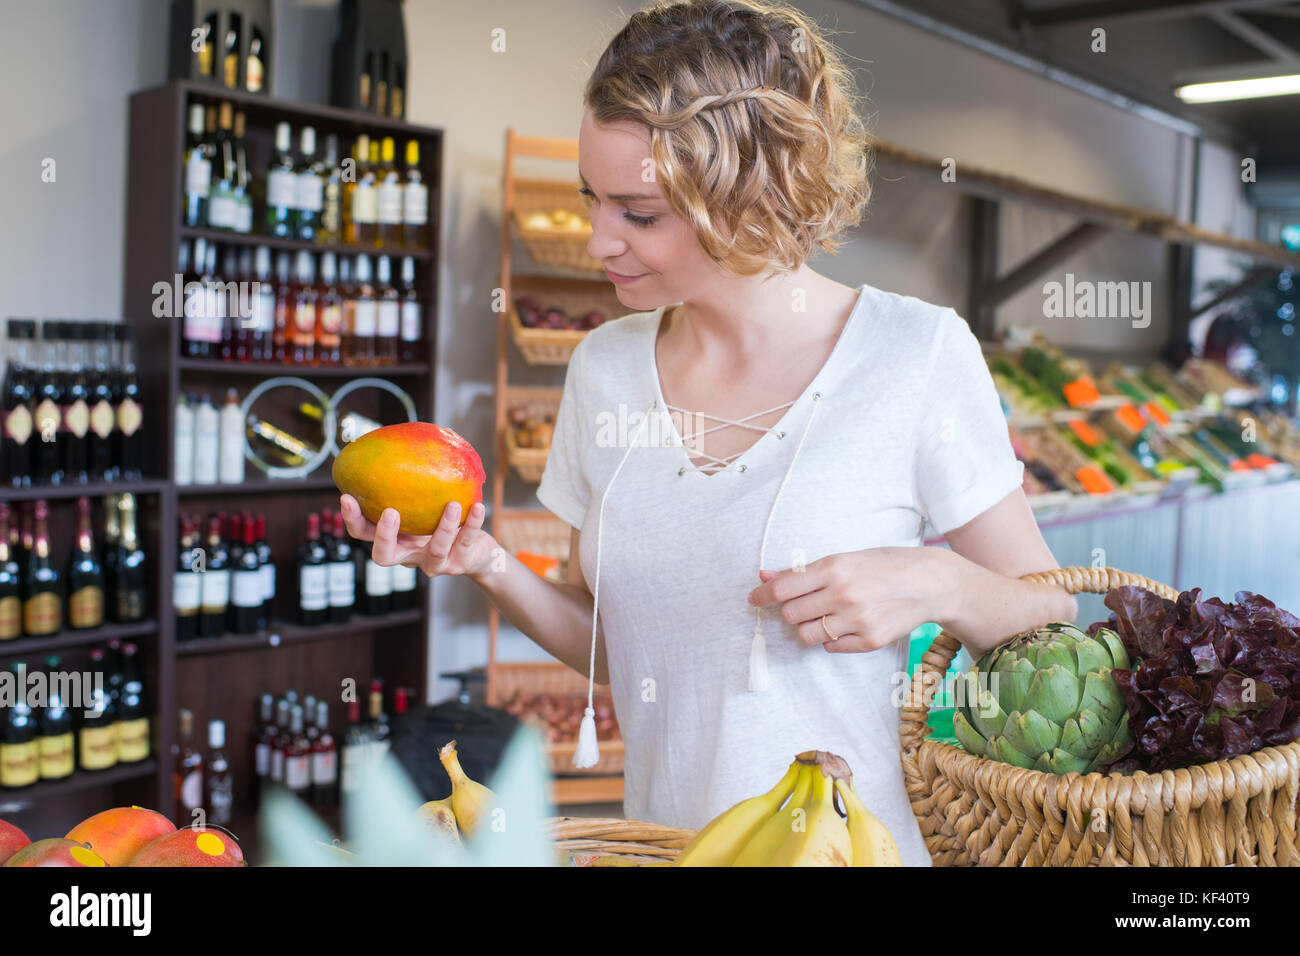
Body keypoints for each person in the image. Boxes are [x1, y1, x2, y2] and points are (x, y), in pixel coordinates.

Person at [340, 0, 1077, 866]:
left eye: (638, 214)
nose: (595, 240)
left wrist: (938, 581)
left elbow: (1049, 612)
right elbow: (618, 649)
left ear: (751, 193)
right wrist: (487, 564)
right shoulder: (604, 370)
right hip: (667, 851)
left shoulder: (913, 355)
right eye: (591, 200)